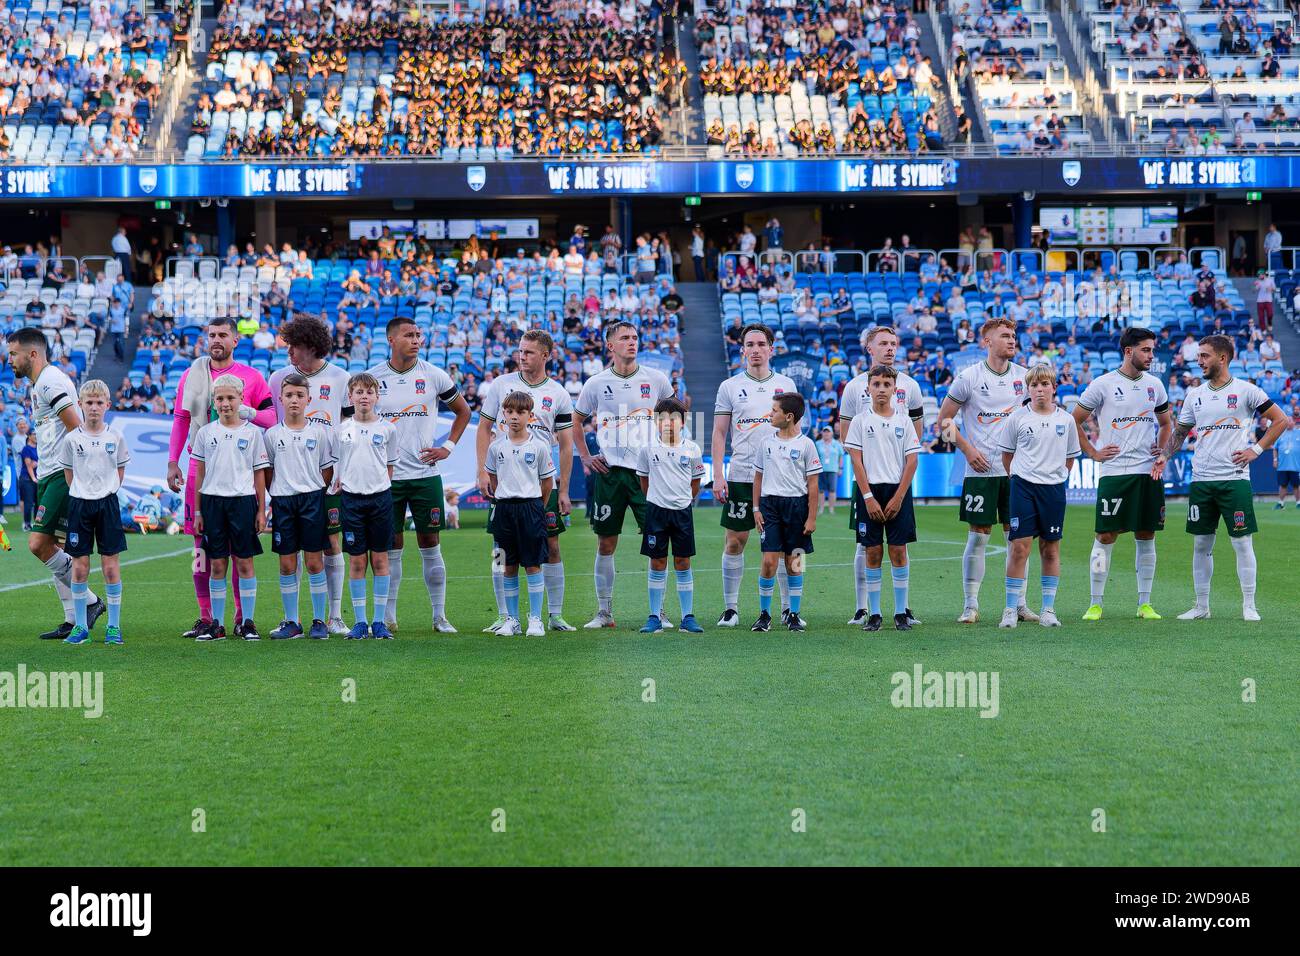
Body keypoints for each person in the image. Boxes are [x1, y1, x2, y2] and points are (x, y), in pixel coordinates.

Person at [1155, 335, 1291, 621]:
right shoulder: (1195, 395)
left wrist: (1256, 449)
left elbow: (1281, 420)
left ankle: (1249, 605)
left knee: (1242, 543)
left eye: (1204, 356)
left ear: (1223, 358)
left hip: (1234, 479)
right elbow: (1180, 433)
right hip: (1202, 480)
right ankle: (1201, 606)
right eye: (1199, 356)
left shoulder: (1246, 391)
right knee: (1201, 544)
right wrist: (1165, 456)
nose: (1199, 361)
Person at [168, 318, 277, 639]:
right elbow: (180, 420)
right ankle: (207, 618)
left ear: (235, 341)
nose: (216, 340)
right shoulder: (191, 375)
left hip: (238, 475)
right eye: (211, 335)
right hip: (200, 472)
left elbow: (271, 417)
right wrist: (173, 461)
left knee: (239, 552)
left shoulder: (253, 378)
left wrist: (248, 413)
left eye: (222, 335)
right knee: (202, 548)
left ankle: (244, 619)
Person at [369, 316, 472, 634]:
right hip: (387, 478)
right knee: (391, 546)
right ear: (391, 339)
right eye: (408, 335)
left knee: (431, 542)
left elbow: (464, 411)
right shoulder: (373, 379)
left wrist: (449, 447)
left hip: (426, 474)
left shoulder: (433, 375)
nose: (416, 340)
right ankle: (388, 616)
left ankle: (439, 616)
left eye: (418, 335)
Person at [574, 321, 675, 629]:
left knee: (657, 542)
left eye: (635, 337)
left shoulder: (656, 379)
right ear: (610, 346)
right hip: (610, 474)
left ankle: (659, 612)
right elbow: (576, 422)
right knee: (606, 543)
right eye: (625, 338)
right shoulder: (596, 383)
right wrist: (586, 457)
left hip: (649, 476)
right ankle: (604, 613)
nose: (632, 342)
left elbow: (675, 413)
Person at [935, 317, 1037, 624]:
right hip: (980, 471)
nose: (1011, 340)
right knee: (979, 536)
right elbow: (943, 422)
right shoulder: (969, 377)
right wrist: (967, 449)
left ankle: (1019, 602)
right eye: (1005, 336)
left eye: (1013, 335)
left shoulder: (1024, 377)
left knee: (1017, 539)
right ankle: (971, 604)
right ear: (987, 342)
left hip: (1017, 473)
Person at [476, 330, 577, 633]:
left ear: (546, 355)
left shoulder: (558, 392)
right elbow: (483, 428)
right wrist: (482, 472)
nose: (522, 356)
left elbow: (567, 444)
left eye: (530, 352)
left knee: (552, 546)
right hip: (506, 479)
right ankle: (505, 615)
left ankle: (554, 615)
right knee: (500, 550)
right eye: (520, 351)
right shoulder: (501, 385)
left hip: (540, 480)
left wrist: (565, 489)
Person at [6, 328, 104, 639]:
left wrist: (82, 472)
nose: (9, 360)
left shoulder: (51, 381)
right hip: (49, 474)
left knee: (38, 544)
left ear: (31, 354)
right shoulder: (40, 384)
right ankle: (74, 617)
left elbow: (77, 427)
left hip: (62, 474)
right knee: (56, 546)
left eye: (12, 354)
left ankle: (90, 601)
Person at [1072, 328, 1174, 621]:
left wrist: (1162, 452)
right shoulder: (1103, 384)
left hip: (1146, 471)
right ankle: (1095, 602)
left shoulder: (1155, 385)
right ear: (1128, 351)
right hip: (1114, 472)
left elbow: (1166, 423)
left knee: (1146, 535)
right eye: (1146, 350)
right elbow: (1074, 420)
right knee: (1105, 536)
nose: (1151, 356)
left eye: (1152, 350)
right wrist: (1093, 452)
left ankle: (1145, 603)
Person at [269, 315, 354, 635]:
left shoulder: (340, 377)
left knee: (330, 544)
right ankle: (294, 618)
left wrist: (342, 468)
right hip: (291, 478)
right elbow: (271, 422)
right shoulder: (279, 378)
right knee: (292, 551)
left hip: (330, 475)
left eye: (294, 345)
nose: (289, 351)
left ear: (311, 345)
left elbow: (348, 425)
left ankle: (333, 616)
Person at [711, 324, 800, 627]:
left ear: (771, 349)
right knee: (735, 541)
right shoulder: (730, 386)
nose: (756, 349)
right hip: (741, 474)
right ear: (743, 350)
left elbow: (795, 431)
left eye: (762, 344)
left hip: (781, 477)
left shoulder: (786, 384)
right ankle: (731, 608)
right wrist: (719, 475)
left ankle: (789, 608)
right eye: (750, 344)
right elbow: (720, 432)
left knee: (789, 544)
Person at [839, 326, 926, 625]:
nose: (889, 348)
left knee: (899, 546)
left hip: (898, 479)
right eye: (883, 344)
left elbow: (917, 433)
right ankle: (864, 607)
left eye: (893, 344)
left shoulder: (910, 386)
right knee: (866, 545)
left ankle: (904, 607)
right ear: (869, 348)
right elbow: (846, 437)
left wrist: (903, 485)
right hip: (867, 480)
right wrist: (865, 489)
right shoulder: (853, 388)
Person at [996, 364, 1081, 630]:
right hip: (1023, 487)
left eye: (1044, 384)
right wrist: (1020, 477)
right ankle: (1010, 609)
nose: (1039, 389)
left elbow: (1070, 457)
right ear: (1028, 389)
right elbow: (1007, 455)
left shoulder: (1065, 420)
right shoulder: (1017, 418)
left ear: (1054, 388)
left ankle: (1048, 609)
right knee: (1019, 547)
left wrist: (1056, 477)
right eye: (1034, 385)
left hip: (1053, 490)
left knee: (1050, 548)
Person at [191, 374, 271, 641]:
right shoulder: (206, 433)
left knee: (245, 563)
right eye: (220, 398)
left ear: (241, 399)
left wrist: (261, 510)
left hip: (243, 502)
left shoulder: (252, 433)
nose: (225, 404)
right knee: (216, 565)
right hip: (213, 503)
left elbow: (259, 474)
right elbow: (200, 474)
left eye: (230, 398)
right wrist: (199, 511)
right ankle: (217, 624)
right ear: (214, 401)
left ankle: (247, 622)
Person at [265, 373, 337, 641]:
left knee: (314, 562)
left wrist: (313, 488)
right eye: (289, 395)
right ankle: (292, 622)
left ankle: (320, 621)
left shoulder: (319, 433)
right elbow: (269, 472)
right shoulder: (272, 435)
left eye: (299, 395)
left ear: (308, 399)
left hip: (312, 501)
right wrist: (282, 490)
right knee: (286, 564)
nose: (294, 400)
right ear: (281, 399)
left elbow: (326, 471)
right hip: (283, 502)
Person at [57, 379, 129, 645]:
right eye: (89, 402)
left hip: (107, 504)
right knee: (80, 566)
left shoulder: (115, 437)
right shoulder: (72, 439)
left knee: (110, 567)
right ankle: (81, 627)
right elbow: (68, 474)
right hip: (79, 504)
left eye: (100, 403)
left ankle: (113, 626)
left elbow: (119, 471)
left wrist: (104, 491)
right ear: (80, 405)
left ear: (108, 405)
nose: (94, 407)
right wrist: (84, 492)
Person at [485, 390, 557, 637]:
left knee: (533, 564)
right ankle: (512, 620)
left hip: (531, 509)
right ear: (503, 414)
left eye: (520, 412)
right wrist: (505, 495)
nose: (515, 417)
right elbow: (493, 479)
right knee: (506, 564)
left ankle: (535, 619)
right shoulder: (496, 448)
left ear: (530, 415)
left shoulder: (539, 447)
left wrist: (537, 506)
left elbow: (547, 483)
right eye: (510, 412)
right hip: (504, 510)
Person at [331, 373, 398, 639]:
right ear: (350, 397)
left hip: (380, 499)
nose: (364, 397)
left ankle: (379, 622)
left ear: (376, 396)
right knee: (357, 561)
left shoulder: (388, 429)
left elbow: (389, 466)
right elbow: (337, 464)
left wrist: (378, 487)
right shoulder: (342, 429)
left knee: (380, 559)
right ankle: (360, 622)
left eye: (369, 392)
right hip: (351, 500)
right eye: (358, 392)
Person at [635, 397, 706, 634]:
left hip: (682, 511)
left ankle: (687, 617)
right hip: (656, 511)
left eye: (673, 418)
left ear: (683, 421)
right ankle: (654, 616)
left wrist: (684, 500)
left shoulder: (692, 449)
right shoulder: (647, 449)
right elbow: (644, 480)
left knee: (683, 561)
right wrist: (656, 499)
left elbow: (696, 482)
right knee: (657, 562)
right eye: (662, 418)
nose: (668, 423)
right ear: (656, 422)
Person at [751, 393, 820, 632]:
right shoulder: (766, 443)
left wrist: (811, 517)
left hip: (798, 507)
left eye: (774, 410)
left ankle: (794, 613)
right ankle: (764, 614)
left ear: (789, 416)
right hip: (771, 506)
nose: (770, 414)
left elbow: (813, 484)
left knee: (796, 562)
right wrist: (756, 508)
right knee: (769, 561)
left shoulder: (806, 445)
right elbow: (758, 477)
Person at [816, 425, 844, 515]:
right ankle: (821, 509)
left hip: (833, 469)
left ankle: (831, 509)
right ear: (822, 433)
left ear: (831, 433)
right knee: (821, 490)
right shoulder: (818, 443)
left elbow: (841, 457)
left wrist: (840, 468)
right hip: (821, 470)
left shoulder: (837, 444)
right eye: (824, 431)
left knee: (832, 490)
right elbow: (815, 457)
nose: (826, 433)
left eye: (828, 432)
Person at [1274, 417, 1300, 509]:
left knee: (1296, 485)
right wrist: (1275, 460)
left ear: (1294, 422)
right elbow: (1275, 448)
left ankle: (1298, 503)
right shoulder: (1280, 434)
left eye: (1290, 421)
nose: (1288, 423)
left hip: (1296, 465)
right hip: (1282, 466)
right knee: (1282, 485)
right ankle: (1281, 503)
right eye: (1287, 421)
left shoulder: (1298, 433)